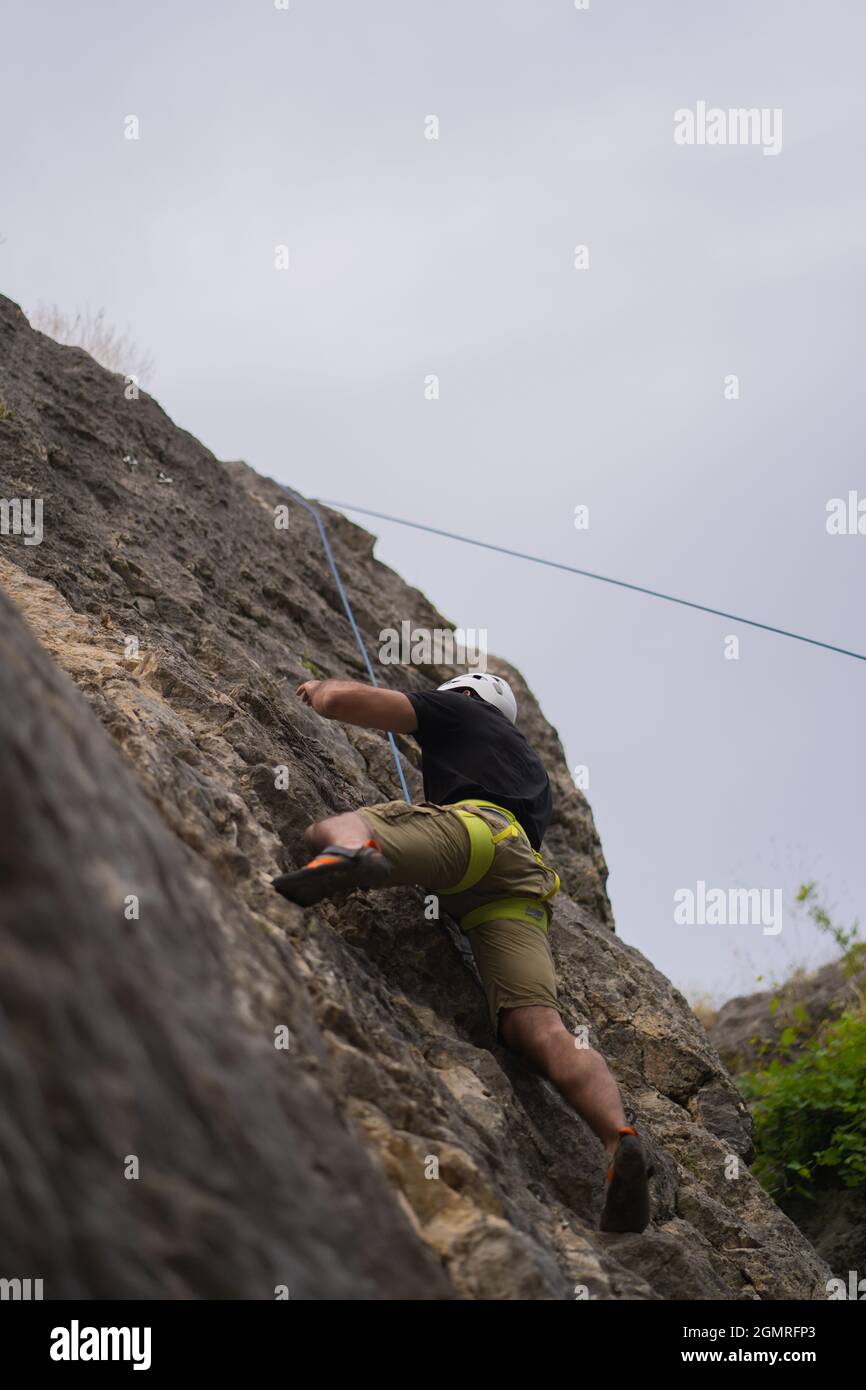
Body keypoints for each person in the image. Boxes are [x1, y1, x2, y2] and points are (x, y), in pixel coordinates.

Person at [273, 671, 651, 1233]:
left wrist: (316, 690)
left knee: (330, 828)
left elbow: (349, 703)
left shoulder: (463, 710)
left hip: (471, 837)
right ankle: (617, 1136)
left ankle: (353, 855)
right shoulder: (531, 771)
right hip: (517, 884)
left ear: (469, 695)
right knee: (540, 1031)